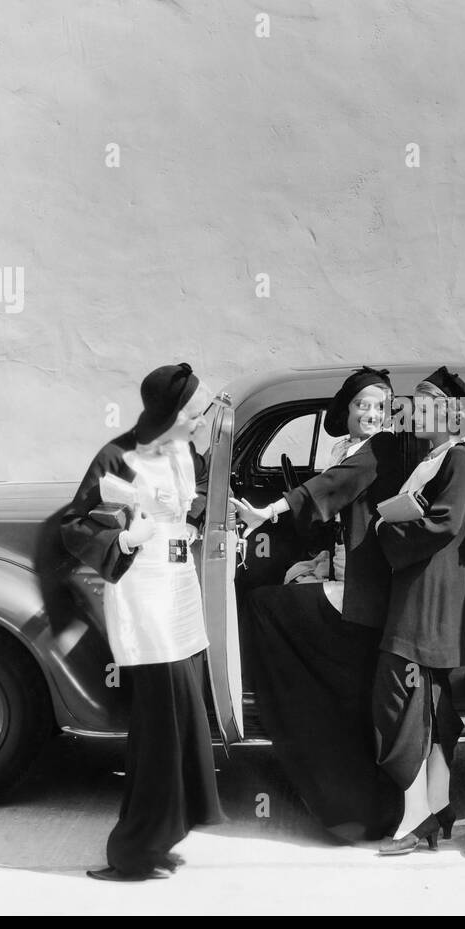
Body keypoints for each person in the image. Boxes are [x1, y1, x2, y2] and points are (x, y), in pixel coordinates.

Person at [61, 362, 226, 882]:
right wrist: (123, 541)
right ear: (172, 413)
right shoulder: (119, 455)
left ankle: (161, 835)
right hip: (143, 591)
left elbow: (185, 502)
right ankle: (134, 851)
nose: (201, 420)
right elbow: (74, 523)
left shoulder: (183, 452)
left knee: (180, 720)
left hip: (180, 590)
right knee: (160, 723)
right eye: (195, 412)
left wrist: (206, 514)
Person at [233, 366, 404, 841]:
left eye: (380, 405)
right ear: (346, 410)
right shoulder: (351, 451)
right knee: (280, 603)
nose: (371, 413)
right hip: (349, 577)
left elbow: (327, 490)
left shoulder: (381, 448)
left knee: (264, 608)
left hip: (368, 595)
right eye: (362, 405)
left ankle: (289, 716)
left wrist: (265, 511)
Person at [371, 368, 465, 855]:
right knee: (422, 708)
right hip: (416, 590)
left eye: (430, 402)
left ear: (456, 414)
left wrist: (385, 533)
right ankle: (433, 813)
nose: (418, 410)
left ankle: (421, 819)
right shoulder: (434, 459)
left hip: (430, 596)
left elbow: (444, 523)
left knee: (408, 706)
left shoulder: (459, 459)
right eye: (417, 402)